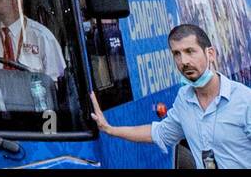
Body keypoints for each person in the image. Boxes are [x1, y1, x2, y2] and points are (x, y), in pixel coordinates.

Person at [91, 23, 251, 167]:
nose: (184, 61)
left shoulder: (244, 100)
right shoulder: (184, 98)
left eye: (190, 51)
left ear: (210, 54)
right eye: (177, 54)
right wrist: (110, 129)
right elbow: (159, 133)